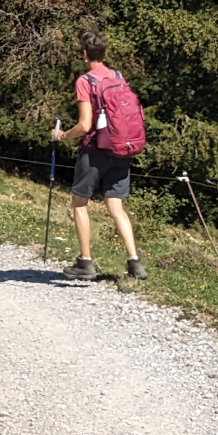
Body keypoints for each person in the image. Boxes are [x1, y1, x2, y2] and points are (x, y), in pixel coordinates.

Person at [51, 31, 148, 281]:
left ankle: (85, 262)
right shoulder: (118, 77)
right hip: (122, 147)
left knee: (79, 203)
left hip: (95, 150)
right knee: (116, 206)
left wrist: (62, 136)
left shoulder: (86, 81)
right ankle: (134, 262)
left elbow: (85, 125)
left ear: (84, 53)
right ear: (103, 52)